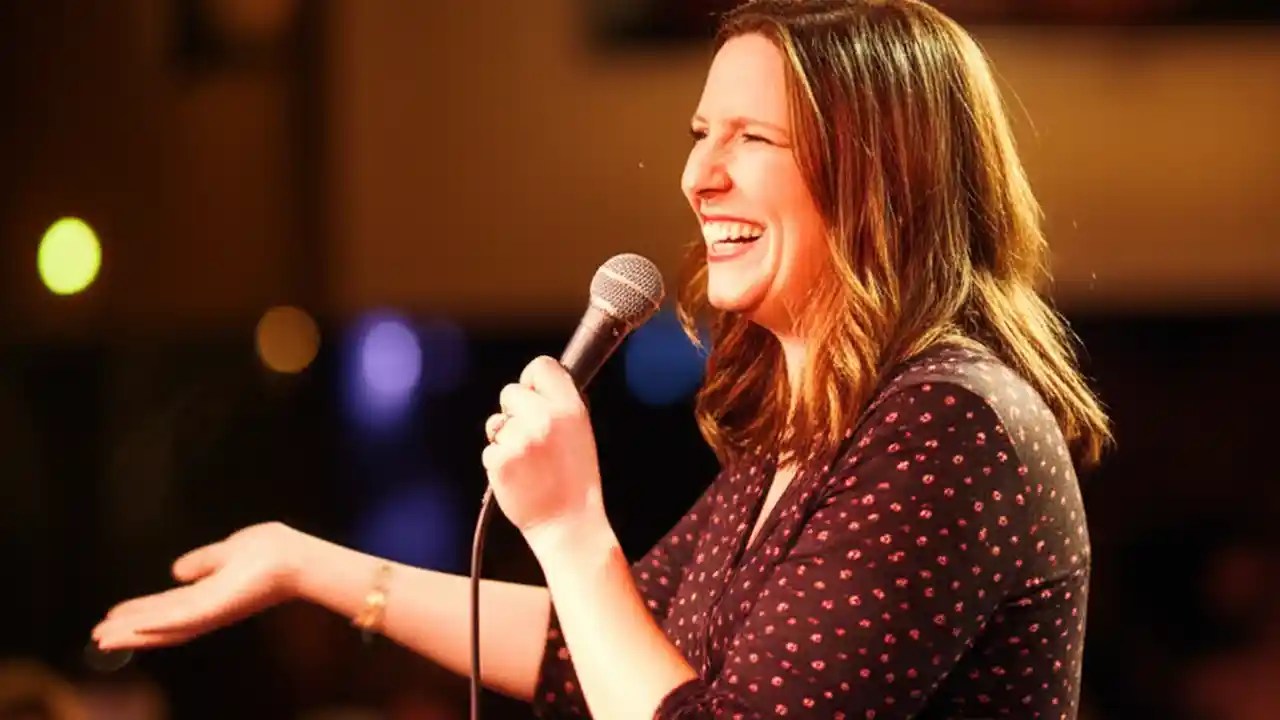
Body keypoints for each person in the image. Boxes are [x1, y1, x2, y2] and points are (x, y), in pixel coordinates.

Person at [91, 1, 1112, 718]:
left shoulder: (949, 426)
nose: (695, 175)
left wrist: (574, 529)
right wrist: (310, 566)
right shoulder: (816, 429)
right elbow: (598, 654)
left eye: (750, 138)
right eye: (699, 132)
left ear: (884, 180)